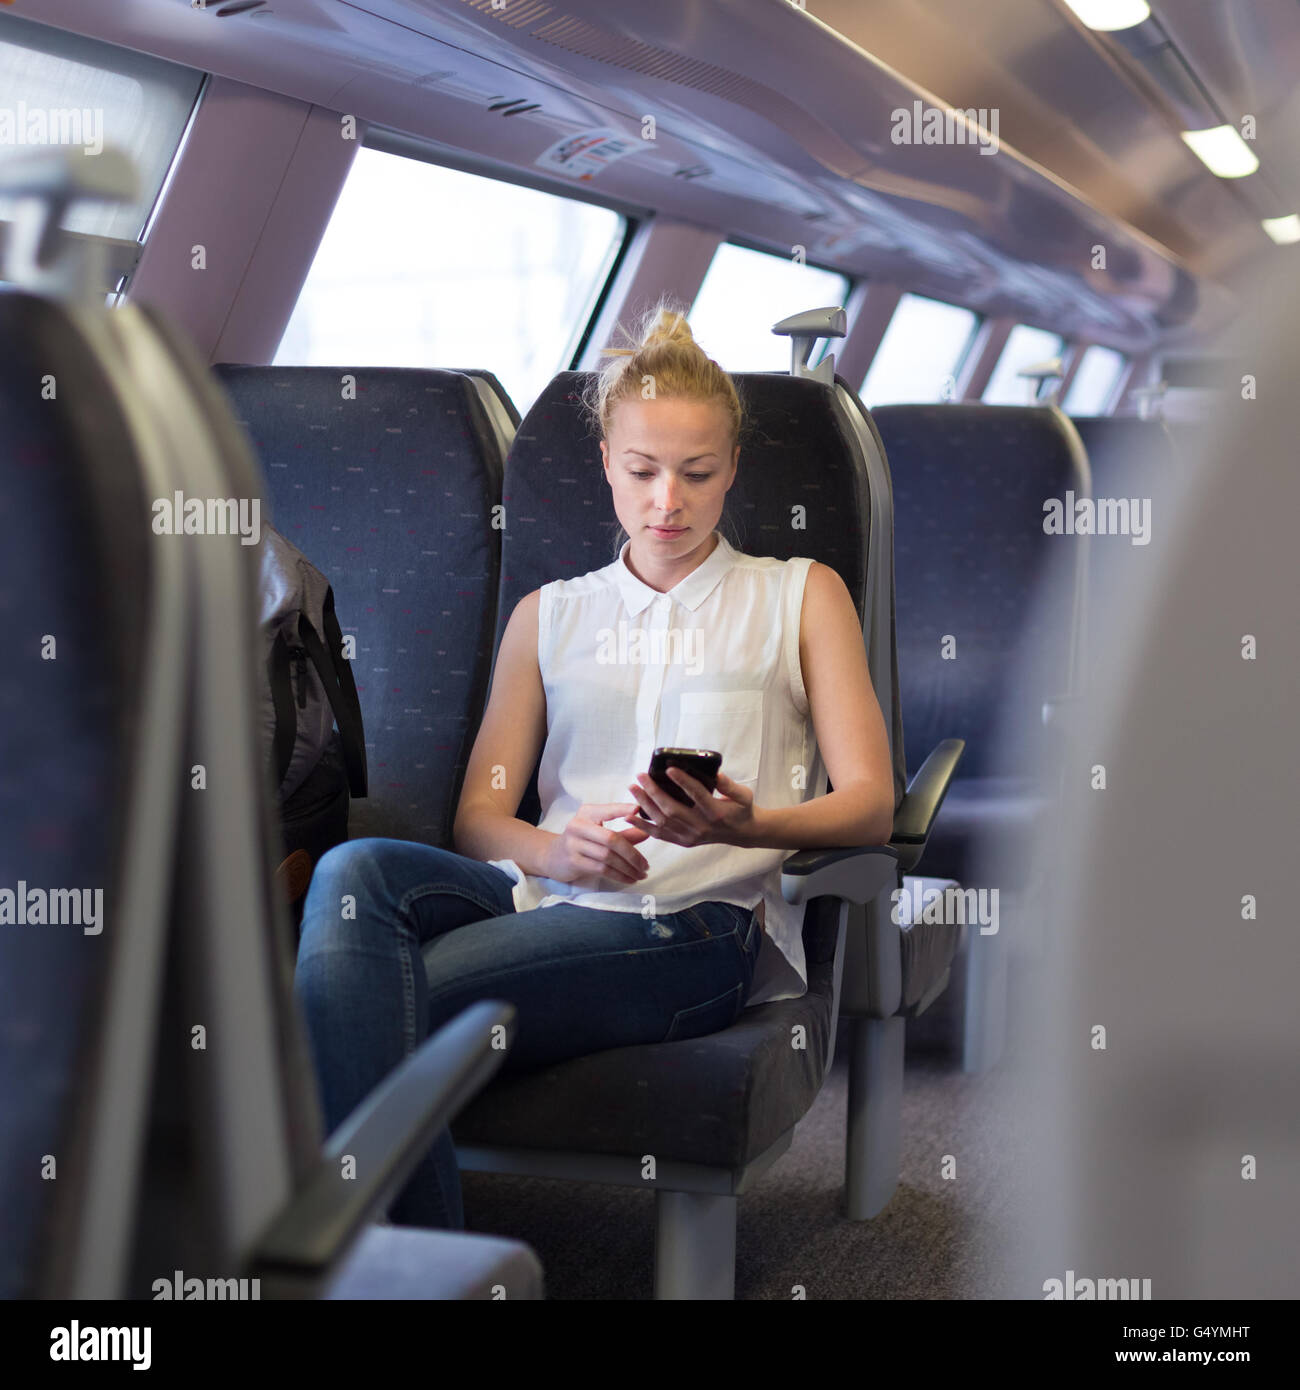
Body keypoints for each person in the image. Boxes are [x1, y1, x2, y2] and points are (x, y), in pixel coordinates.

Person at [293, 302, 894, 1229]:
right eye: (643, 471)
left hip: (698, 926)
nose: (669, 501)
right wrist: (556, 852)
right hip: (547, 896)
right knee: (353, 871)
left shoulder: (801, 597)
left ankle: (404, 1282)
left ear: (732, 468)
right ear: (606, 462)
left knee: (369, 1002)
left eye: (697, 474)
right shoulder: (550, 614)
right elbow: (481, 821)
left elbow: (870, 807)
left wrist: (749, 824)